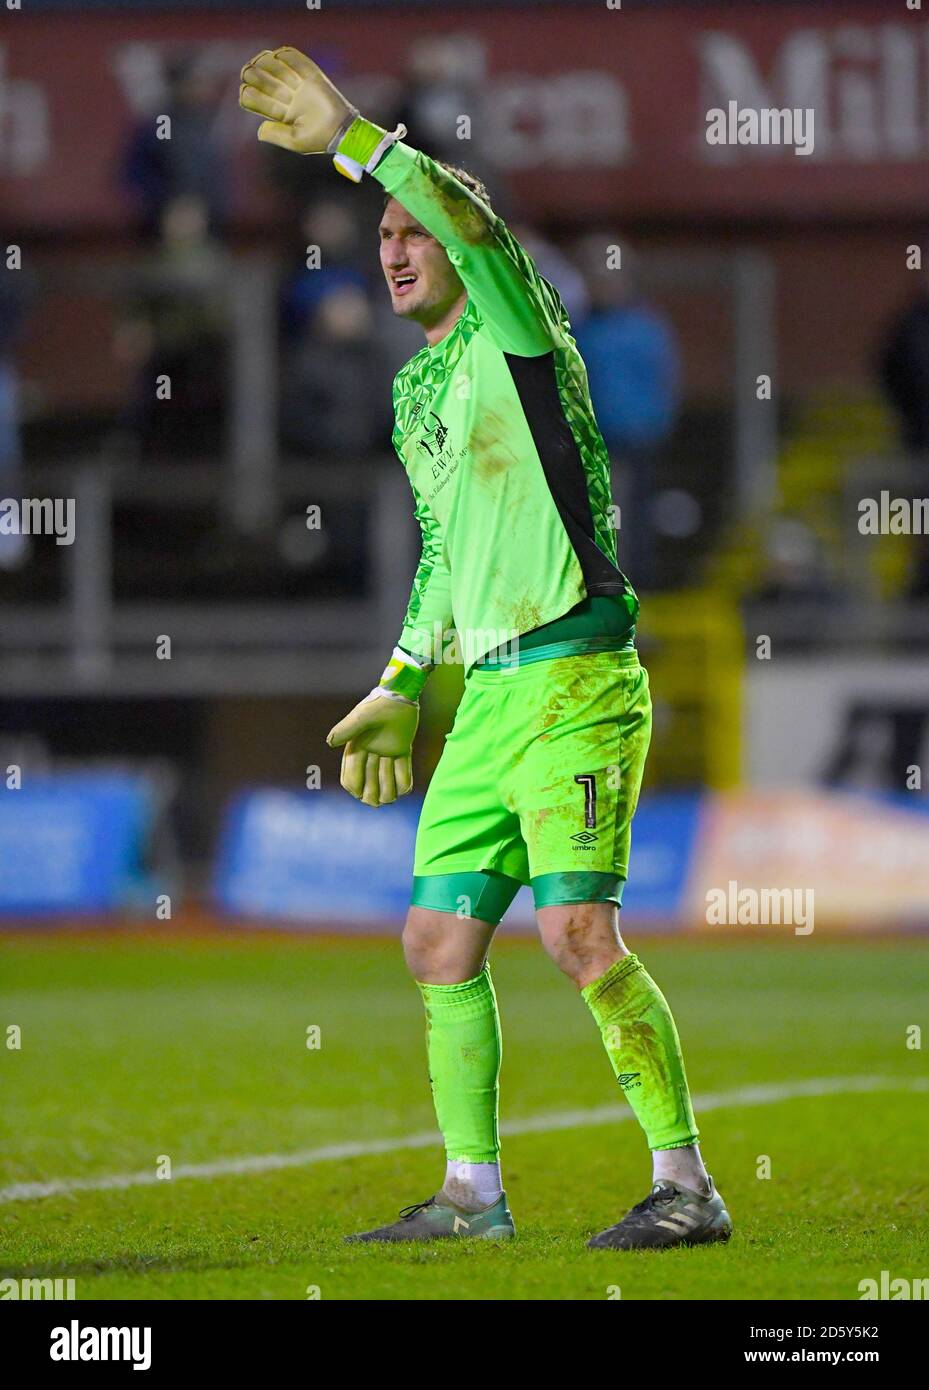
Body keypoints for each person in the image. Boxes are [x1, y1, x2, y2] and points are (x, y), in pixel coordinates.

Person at [240, 46, 732, 1251]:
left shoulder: (518, 320)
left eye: (415, 232)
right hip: (490, 696)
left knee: (575, 937)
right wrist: (402, 681)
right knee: (435, 940)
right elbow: (447, 553)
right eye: (381, 240)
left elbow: (468, 217)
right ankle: (471, 1196)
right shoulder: (416, 395)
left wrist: (359, 141)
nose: (397, 249)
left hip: (573, 678)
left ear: (461, 242)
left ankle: (687, 1185)